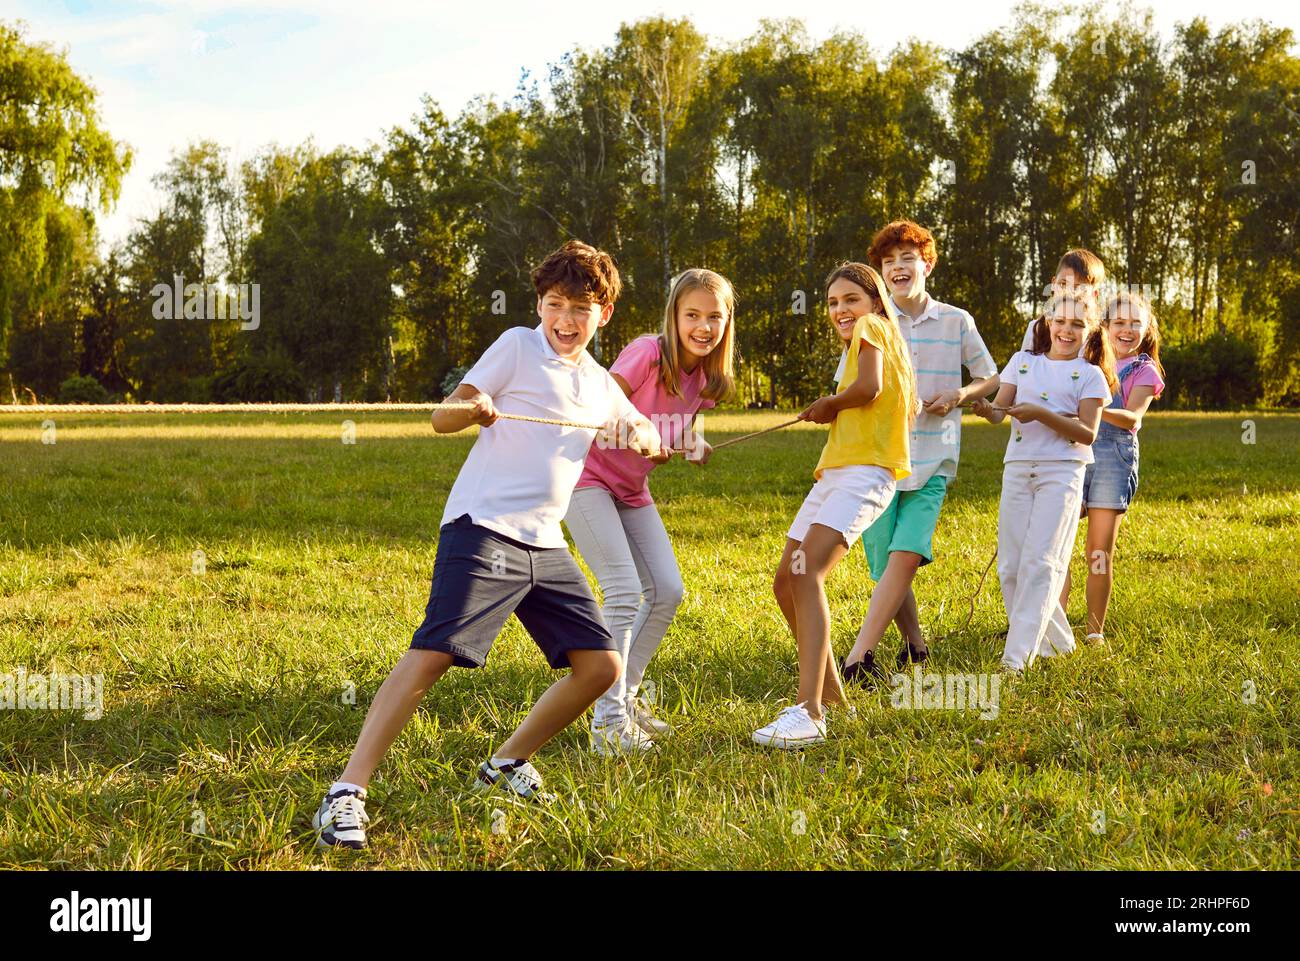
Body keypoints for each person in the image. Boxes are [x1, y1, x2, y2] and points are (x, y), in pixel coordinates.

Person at [313, 240, 661, 849]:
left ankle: (504, 765)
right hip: (484, 527)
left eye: (581, 309)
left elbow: (642, 427)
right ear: (539, 304)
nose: (565, 320)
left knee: (601, 667)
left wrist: (642, 432)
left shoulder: (599, 383)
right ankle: (346, 792)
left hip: (545, 544)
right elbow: (441, 418)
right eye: (555, 304)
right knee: (436, 651)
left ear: (603, 314)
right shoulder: (517, 346)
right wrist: (472, 407)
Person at [565, 268, 736, 755]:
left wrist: (691, 441)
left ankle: (626, 696)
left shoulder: (704, 376)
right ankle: (608, 724)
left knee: (666, 591)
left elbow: (672, 428)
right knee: (621, 591)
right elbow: (599, 404)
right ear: (674, 316)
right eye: (692, 315)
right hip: (587, 481)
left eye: (714, 317)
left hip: (631, 490)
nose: (703, 327)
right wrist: (634, 435)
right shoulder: (647, 352)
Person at [755, 262, 915, 748]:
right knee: (787, 579)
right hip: (837, 472)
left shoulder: (874, 329)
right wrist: (837, 404)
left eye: (851, 299)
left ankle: (809, 711)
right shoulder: (860, 345)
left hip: (865, 473)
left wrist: (830, 403)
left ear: (874, 301)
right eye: (832, 303)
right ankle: (832, 697)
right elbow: (866, 396)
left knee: (807, 574)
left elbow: (869, 391)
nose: (841, 311)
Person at [840, 220, 999, 684]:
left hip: (932, 460)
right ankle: (916, 647)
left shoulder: (956, 320)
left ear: (926, 263)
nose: (897, 268)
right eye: (888, 262)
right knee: (887, 563)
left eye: (906, 258)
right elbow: (850, 387)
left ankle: (858, 658)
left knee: (906, 554)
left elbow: (990, 376)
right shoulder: (872, 325)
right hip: (877, 461)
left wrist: (960, 395)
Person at [972, 288, 1115, 672]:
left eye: (1077, 324)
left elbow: (1086, 432)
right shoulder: (1022, 362)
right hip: (1018, 467)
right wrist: (987, 409)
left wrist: (1040, 412)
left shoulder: (1092, 376)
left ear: (1091, 330)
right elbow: (1001, 412)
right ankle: (1060, 643)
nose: (1066, 330)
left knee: (1042, 562)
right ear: (1047, 322)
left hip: (1062, 472)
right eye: (1060, 321)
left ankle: (1016, 659)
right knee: (1012, 567)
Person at [1059, 289, 1166, 644]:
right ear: (1104, 326)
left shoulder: (1145, 370)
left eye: (1136, 323)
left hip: (1113, 460)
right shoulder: (1087, 362)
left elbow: (1133, 416)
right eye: (1119, 322)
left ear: (1148, 327)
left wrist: (1091, 409)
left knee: (1098, 553)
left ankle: (1094, 632)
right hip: (1075, 453)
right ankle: (1054, 628)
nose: (1127, 329)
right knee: (1056, 542)